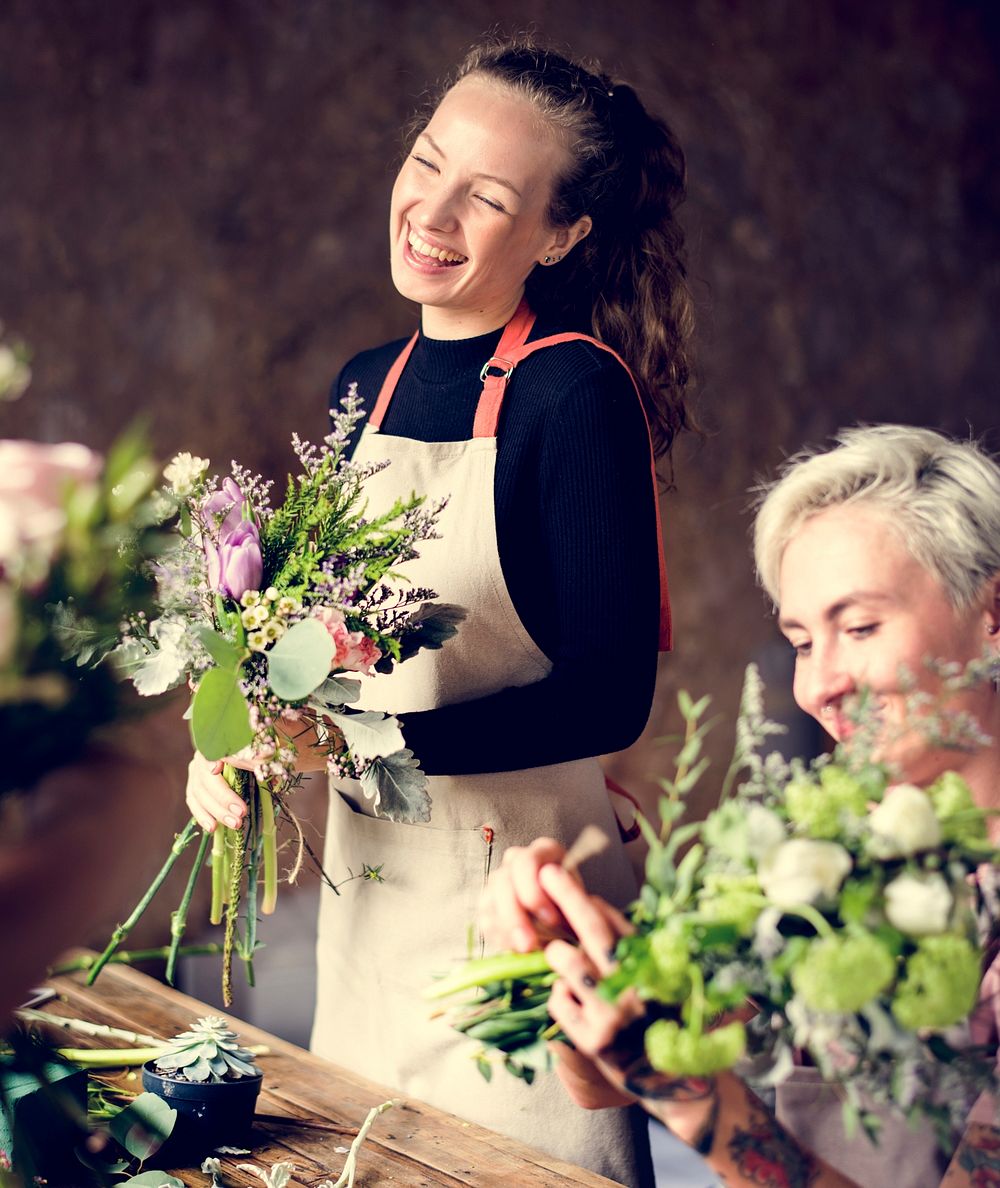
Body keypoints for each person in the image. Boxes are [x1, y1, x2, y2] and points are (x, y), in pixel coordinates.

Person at [186, 37, 696, 1186]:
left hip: (517, 927)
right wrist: (245, 746)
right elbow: (311, 652)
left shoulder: (575, 396)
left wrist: (363, 744)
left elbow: (609, 699)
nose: (433, 210)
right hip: (372, 927)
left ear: (558, 236)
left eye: (490, 197)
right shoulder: (360, 389)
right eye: (428, 162)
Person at [482, 424, 1000, 1187]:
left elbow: (667, 1076)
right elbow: (607, 1079)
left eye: (858, 627)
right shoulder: (826, 849)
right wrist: (571, 969)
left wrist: (693, 1100)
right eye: (800, 641)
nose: (821, 686)